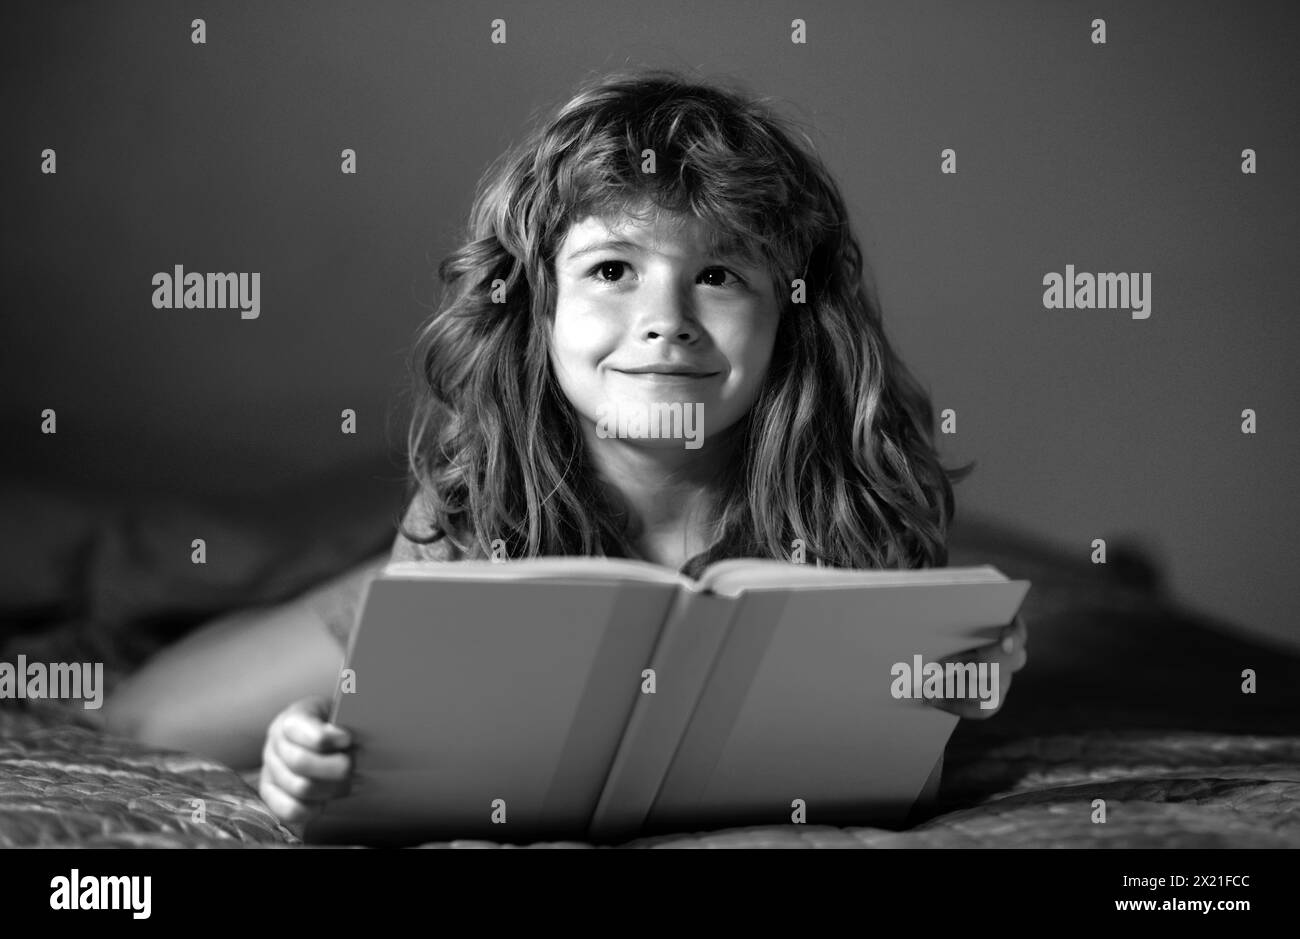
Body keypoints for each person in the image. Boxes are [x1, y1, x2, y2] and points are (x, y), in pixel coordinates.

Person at [101, 68, 1028, 833]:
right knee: (134, 718)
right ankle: (337, 596)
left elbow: (895, 772)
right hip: (448, 569)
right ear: (535, 307)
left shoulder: (855, 496)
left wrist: (948, 683)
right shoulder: (476, 497)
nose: (665, 322)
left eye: (717, 275)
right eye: (612, 270)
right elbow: (381, 765)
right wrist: (305, 760)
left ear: (790, 317)